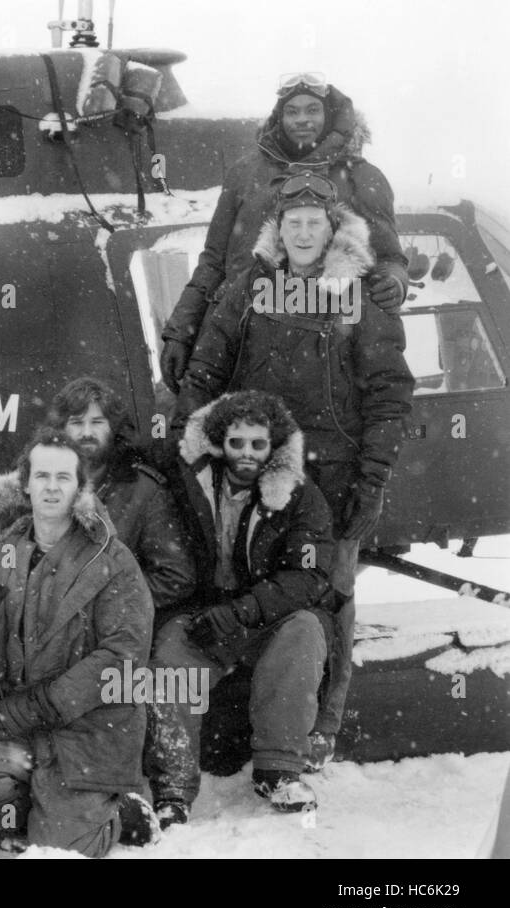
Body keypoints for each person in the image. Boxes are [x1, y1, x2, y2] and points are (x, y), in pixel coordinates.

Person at [174, 172, 413, 769]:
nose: (304, 232)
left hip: (330, 471)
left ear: (333, 227)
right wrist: (186, 437)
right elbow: (208, 364)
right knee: (243, 580)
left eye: (315, 222)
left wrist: (373, 476)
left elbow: (388, 391)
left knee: (331, 595)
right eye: (293, 223)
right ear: (277, 230)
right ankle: (242, 721)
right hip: (252, 465)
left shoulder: (359, 292)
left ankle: (318, 730)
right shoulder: (250, 284)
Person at [0, 429, 156, 856]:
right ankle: (34, 807)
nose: (52, 487)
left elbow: (122, 656)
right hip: (16, 721)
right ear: (25, 484)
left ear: (79, 488)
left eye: (63, 477)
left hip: (87, 726)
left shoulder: (110, 560)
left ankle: (118, 812)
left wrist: (39, 706)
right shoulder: (0, 554)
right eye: (42, 476)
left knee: (60, 850)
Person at [148, 392, 334, 827]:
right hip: (201, 611)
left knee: (305, 631)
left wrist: (245, 611)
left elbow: (307, 575)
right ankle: (173, 788)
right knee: (170, 662)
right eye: (236, 443)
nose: (246, 454)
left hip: (265, 616)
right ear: (218, 442)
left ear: (273, 446)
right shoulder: (189, 479)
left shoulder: (299, 495)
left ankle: (278, 770)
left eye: (257, 444)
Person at [159, 73, 408, 392]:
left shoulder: (363, 179)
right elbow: (212, 263)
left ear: (329, 113)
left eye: (312, 110)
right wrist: (181, 333)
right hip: (238, 338)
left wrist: (395, 281)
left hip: (322, 349)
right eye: (292, 111)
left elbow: (389, 258)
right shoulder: (245, 174)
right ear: (280, 115)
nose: (302, 119)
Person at [0, 377, 196, 625]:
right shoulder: (30, 484)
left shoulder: (143, 491)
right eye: (77, 423)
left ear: (113, 428)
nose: (87, 433)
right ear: (61, 429)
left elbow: (175, 577)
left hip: (109, 635)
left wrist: (100, 604)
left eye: (97, 422)